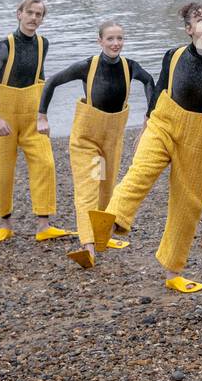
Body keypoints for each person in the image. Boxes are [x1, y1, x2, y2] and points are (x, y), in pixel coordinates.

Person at [85, 3, 202, 292]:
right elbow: (160, 88)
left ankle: (174, 273)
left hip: (198, 135)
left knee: (189, 204)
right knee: (139, 174)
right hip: (163, 123)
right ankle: (106, 228)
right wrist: (146, 125)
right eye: (200, 19)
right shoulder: (172, 55)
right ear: (189, 29)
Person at [40, 20, 154, 267]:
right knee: (88, 188)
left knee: (106, 187)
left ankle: (102, 237)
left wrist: (149, 115)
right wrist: (42, 116)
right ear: (99, 41)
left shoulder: (130, 67)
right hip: (87, 140)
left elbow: (149, 82)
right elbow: (51, 82)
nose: (115, 44)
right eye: (110, 39)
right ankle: (88, 245)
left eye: (119, 39)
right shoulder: (87, 66)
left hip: (112, 139)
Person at [0, 0, 70, 244]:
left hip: (31, 115)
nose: (33, 18)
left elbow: (40, 78)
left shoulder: (43, 43)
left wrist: (43, 114)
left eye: (39, 14)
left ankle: (43, 225)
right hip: (4, 116)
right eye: (29, 13)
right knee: (1, 171)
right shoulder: (4, 46)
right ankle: (4, 225)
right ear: (19, 14)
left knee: (45, 164)